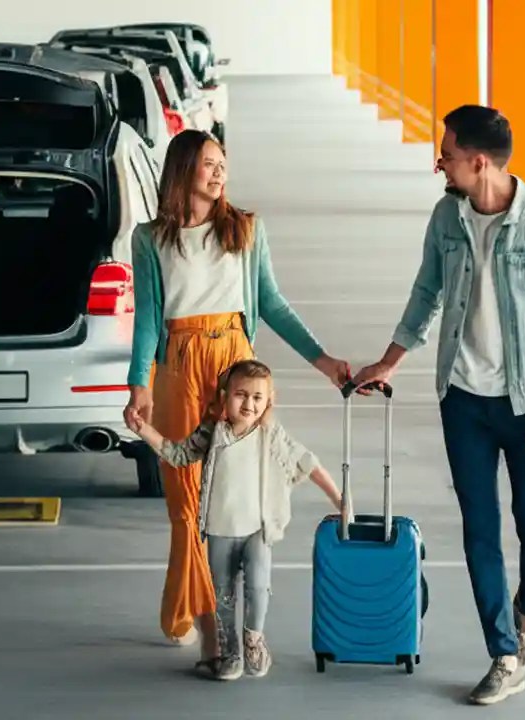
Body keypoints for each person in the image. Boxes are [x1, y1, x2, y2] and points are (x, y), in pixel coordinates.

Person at [352, 105, 525, 706]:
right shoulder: (446, 216)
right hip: (463, 400)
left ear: (479, 162)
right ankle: (502, 653)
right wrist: (391, 359)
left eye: (447, 154)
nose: (440, 163)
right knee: (479, 530)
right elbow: (426, 291)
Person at [124, 129, 352, 659]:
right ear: (184, 170)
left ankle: (225, 625)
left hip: (236, 365)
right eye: (208, 163)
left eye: (223, 162)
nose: (220, 171)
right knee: (186, 500)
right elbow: (147, 321)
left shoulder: (246, 229)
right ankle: (209, 629)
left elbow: (271, 304)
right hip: (178, 364)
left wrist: (323, 361)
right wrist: (140, 385)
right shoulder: (150, 238)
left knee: (232, 500)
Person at [127, 358, 343, 681]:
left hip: (257, 528)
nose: (249, 404)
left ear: (268, 401)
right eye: (242, 395)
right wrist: (144, 430)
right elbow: (178, 453)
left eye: (258, 398)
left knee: (257, 585)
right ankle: (230, 652)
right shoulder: (212, 431)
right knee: (223, 594)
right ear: (226, 395)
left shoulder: (271, 435)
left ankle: (253, 637)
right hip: (220, 528)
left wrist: (339, 499)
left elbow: (307, 462)